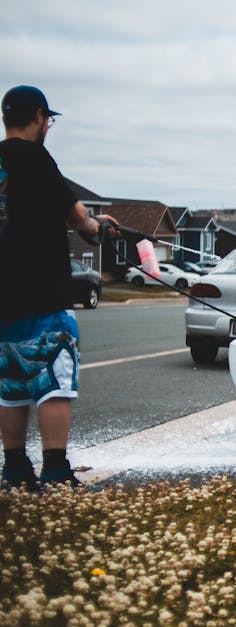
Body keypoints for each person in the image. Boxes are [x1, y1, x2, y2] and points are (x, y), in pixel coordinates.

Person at [0, 85, 118, 490]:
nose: (47, 126)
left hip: (4, 297)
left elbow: (28, 211)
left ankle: (14, 468)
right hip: (43, 290)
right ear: (37, 117)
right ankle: (54, 469)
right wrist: (94, 226)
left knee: (11, 384)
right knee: (53, 380)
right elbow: (75, 214)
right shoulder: (36, 157)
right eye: (47, 119)